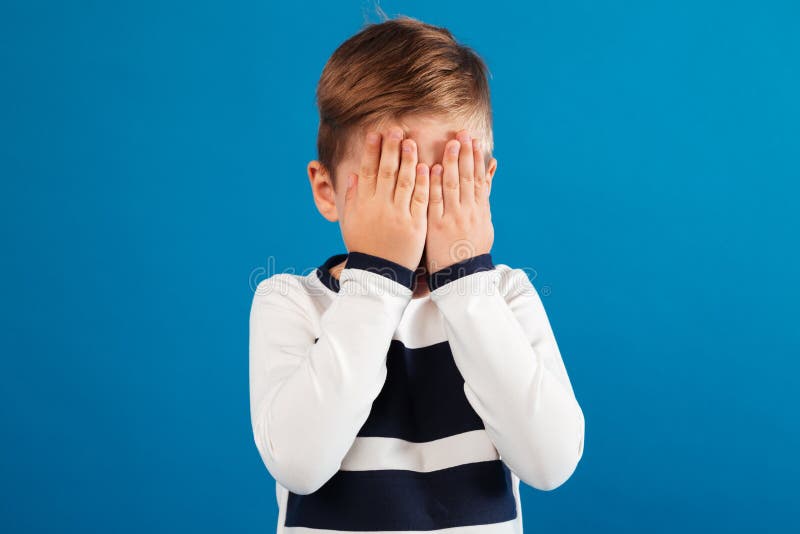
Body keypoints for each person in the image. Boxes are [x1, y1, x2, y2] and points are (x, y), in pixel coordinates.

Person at [249, 15, 585, 533]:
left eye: (443, 182)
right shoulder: (290, 303)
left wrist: (469, 285)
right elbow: (300, 463)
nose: (415, 209)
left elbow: (550, 463)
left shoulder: (505, 298)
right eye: (391, 183)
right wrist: (378, 279)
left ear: (482, 185)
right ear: (327, 190)